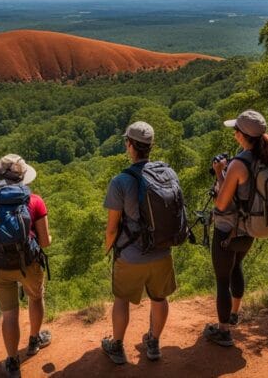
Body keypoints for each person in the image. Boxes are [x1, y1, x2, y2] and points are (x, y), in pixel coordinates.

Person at [101, 121, 177, 365]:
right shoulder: (168, 173)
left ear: (130, 146)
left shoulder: (120, 181)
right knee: (159, 298)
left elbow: (112, 227)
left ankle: (117, 346)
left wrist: (108, 247)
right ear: (151, 146)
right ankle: (153, 343)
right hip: (162, 251)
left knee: (121, 300)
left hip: (131, 255)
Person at [0, 154, 52, 377]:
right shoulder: (35, 201)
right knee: (36, 298)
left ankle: (13, 362)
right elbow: (45, 242)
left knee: (9, 313)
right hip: (29, 263)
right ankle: (35, 341)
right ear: (23, 178)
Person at [203, 110, 268, 346]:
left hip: (228, 230)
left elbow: (222, 203)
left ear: (242, 135)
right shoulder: (267, 157)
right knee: (237, 266)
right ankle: (234, 314)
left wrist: (219, 173)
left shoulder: (238, 164)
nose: (234, 132)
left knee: (222, 278)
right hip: (250, 229)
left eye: (236, 129)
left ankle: (223, 330)